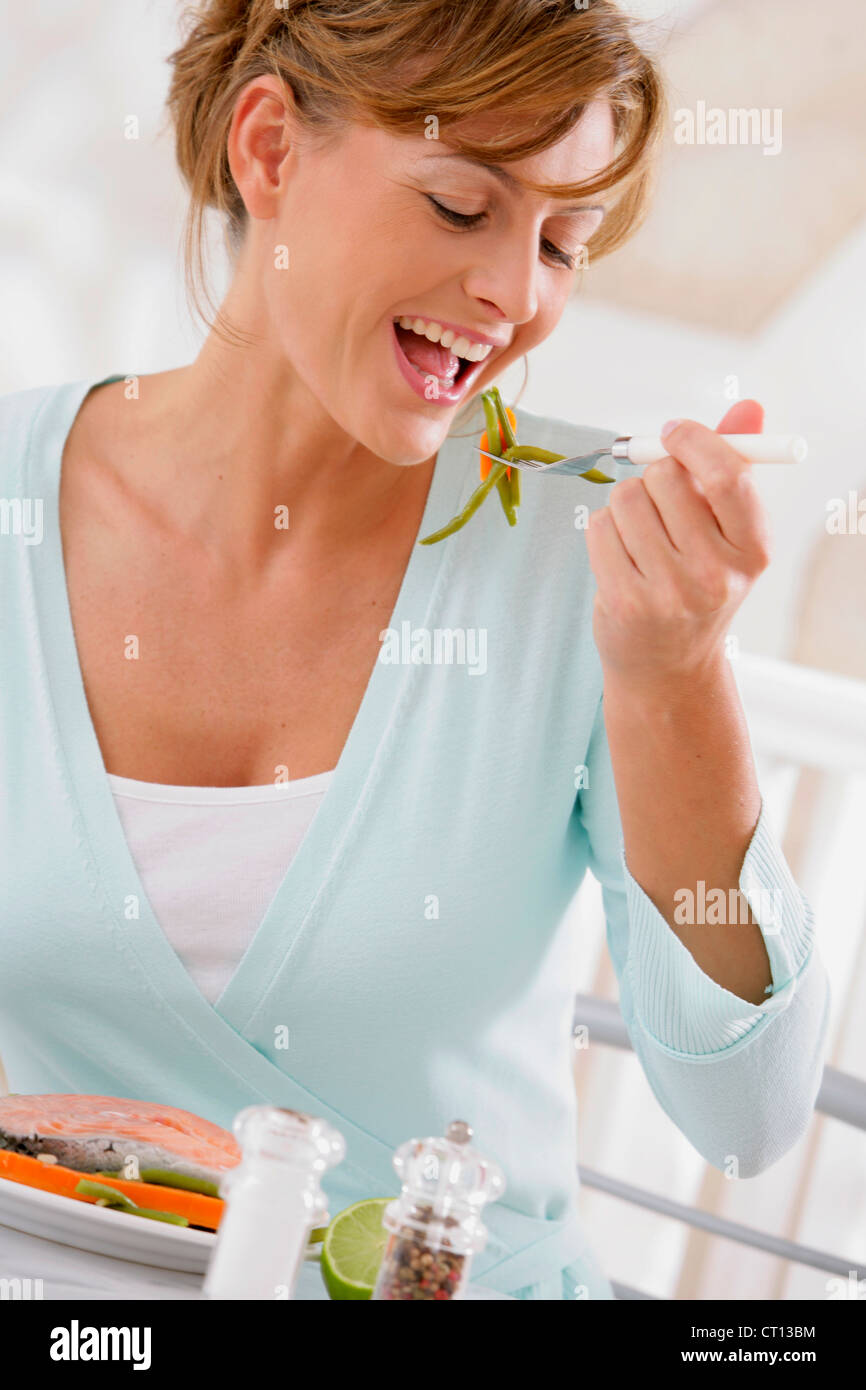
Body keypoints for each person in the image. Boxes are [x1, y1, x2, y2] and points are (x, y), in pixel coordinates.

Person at [0, 0, 829, 1299]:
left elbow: (748, 1116)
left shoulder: (583, 546)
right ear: (266, 149)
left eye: (564, 241)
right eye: (460, 208)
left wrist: (672, 677)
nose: (514, 295)